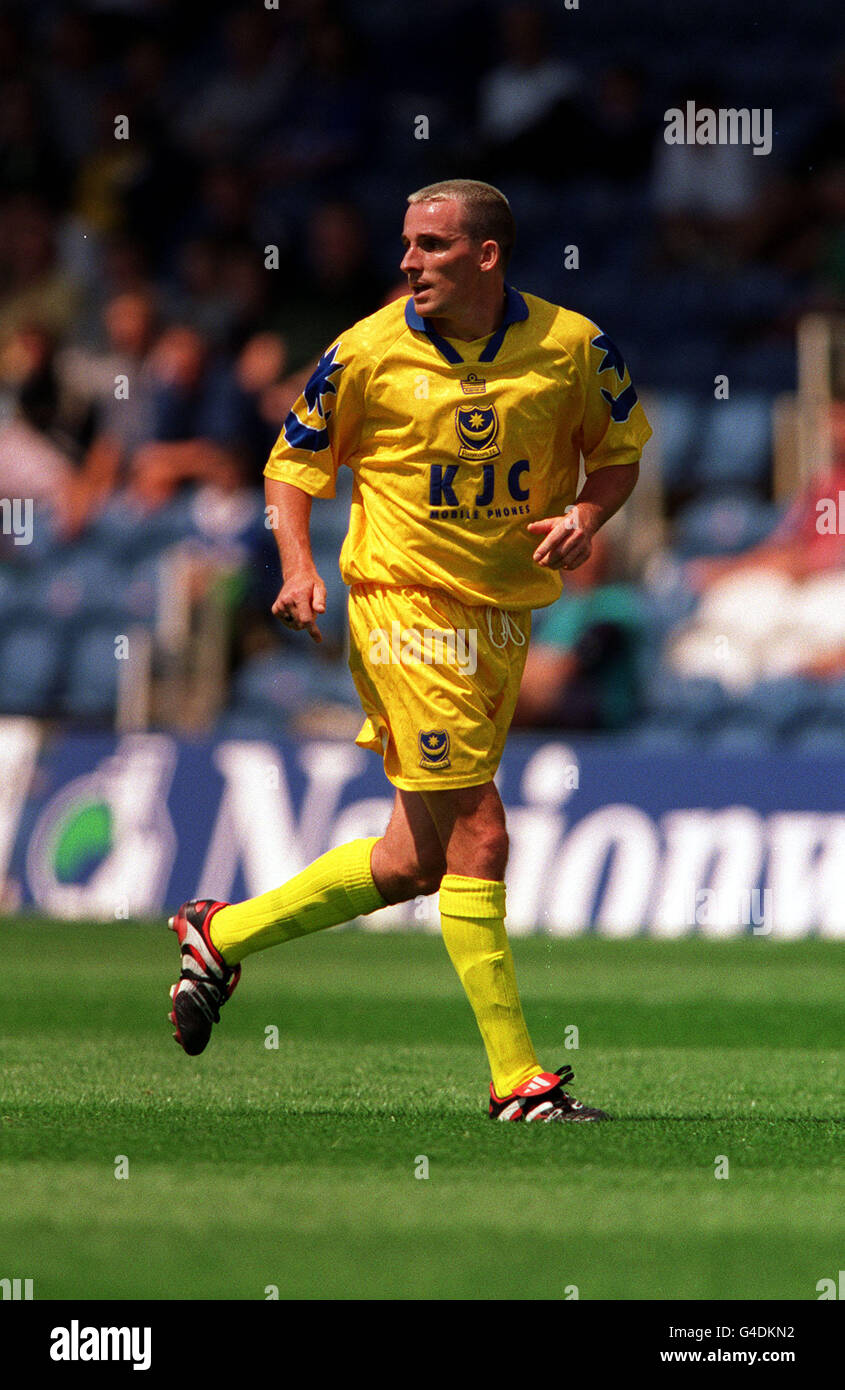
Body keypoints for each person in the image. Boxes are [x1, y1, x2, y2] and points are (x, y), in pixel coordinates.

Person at [167, 179, 651, 1123]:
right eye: (404, 243)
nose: (407, 261)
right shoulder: (366, 350)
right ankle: (518, 1083)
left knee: (411, 862)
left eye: (430, 245)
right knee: (482, 833)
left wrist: (589, 512)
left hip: (501, 615)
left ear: (485, 256)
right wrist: (300, 568)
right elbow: (291, 463)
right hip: (401, 608)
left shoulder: (573, 347)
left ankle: (220, 934)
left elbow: (621, 448)